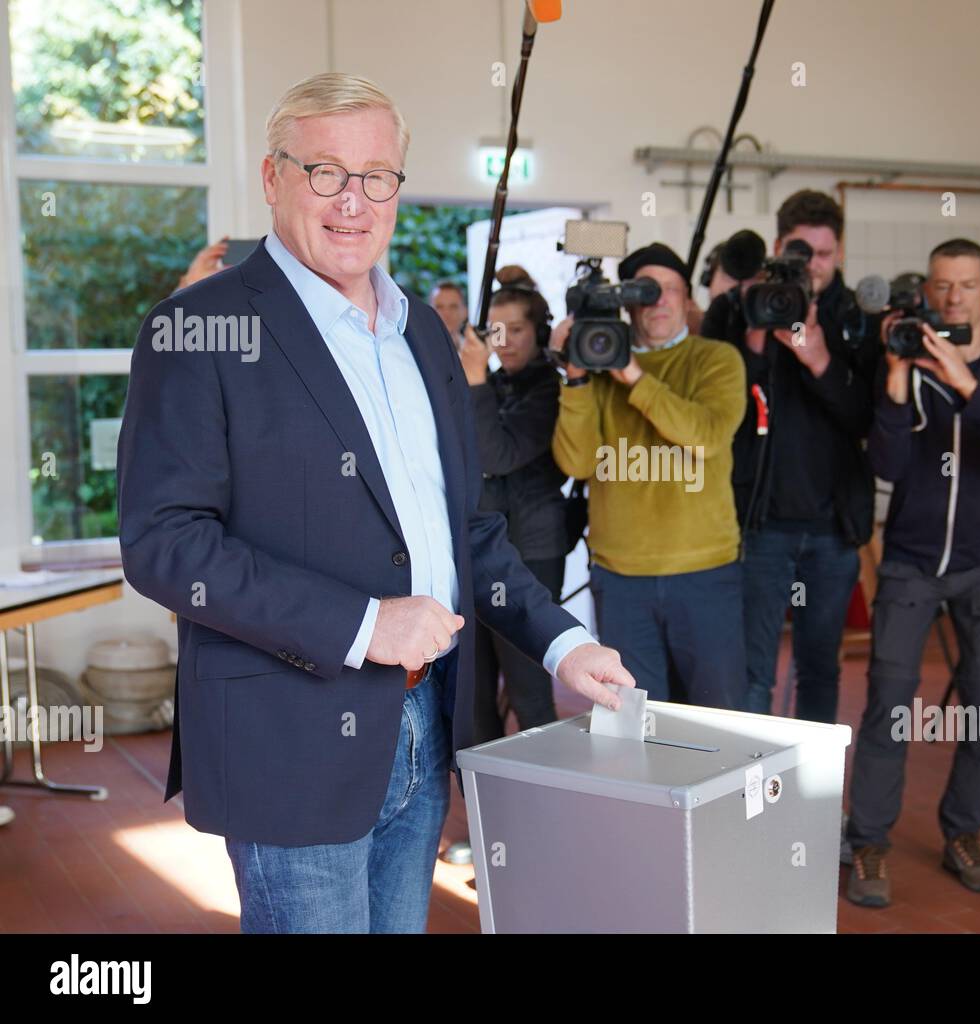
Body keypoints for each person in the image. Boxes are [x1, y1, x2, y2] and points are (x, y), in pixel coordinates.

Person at [117, 73, 634, 934]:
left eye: (376, 176)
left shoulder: (423, 333)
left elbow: (464, 526)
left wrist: (562, 643)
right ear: (273, 177)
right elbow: (165, 545)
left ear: (399, 186)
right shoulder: (198, 329)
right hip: (290, 740)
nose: (352, 201)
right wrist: (364, 623)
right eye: (324, 172)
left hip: (428, 720)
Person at [844, 238, 980, 908]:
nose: (954, 296)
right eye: (942, 285)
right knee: (888, 703)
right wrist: (899, 380)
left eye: (966, 285)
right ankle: (869, 840)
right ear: (927, 292)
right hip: (909, 561)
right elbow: (888, 466)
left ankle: (964, 833)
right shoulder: (902, 354)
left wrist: (963, 381)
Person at [700, 191, 876, 723]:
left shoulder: (858, 315)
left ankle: (812, 802)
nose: (814, 265)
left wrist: (819, 358)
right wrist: (755, 337)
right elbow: (718, 413)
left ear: (840, 252)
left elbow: (867, 420)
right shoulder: (733, 310)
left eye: (824, 254)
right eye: (803, 252)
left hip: (832, 529)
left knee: (820, 668)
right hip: (759, 526)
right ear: (778, 246)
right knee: (753, 670)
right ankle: (750, 798)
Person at [550, 243, 747, 708]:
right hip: (621, 576)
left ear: (686, 298)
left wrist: (634, 376)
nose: (658, 302)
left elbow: (704, 435)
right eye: (645, 292)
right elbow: (576, 463)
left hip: (705, 571)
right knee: (635, 719)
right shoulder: (597, 365)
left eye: (669, 290)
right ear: (628, 303)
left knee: (717, 714)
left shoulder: (717, 359)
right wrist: (576, 379)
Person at [460, 265, 566, 739]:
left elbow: (497, 454)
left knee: (528, 688)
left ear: (539, 332)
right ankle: (485, 798)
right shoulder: (495, 382)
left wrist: (476, 379)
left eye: (517, 330)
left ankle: (550, 799)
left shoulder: (551, 387)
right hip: (480, 546)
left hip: (531, 549)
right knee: (474, 687)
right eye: (496, 330)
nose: (504, 340)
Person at [431, 279, 469, 348]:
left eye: (453, 307)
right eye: (439, 307)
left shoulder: (477, 353)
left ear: (465, 312)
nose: (446, 313)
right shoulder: (415, 352)